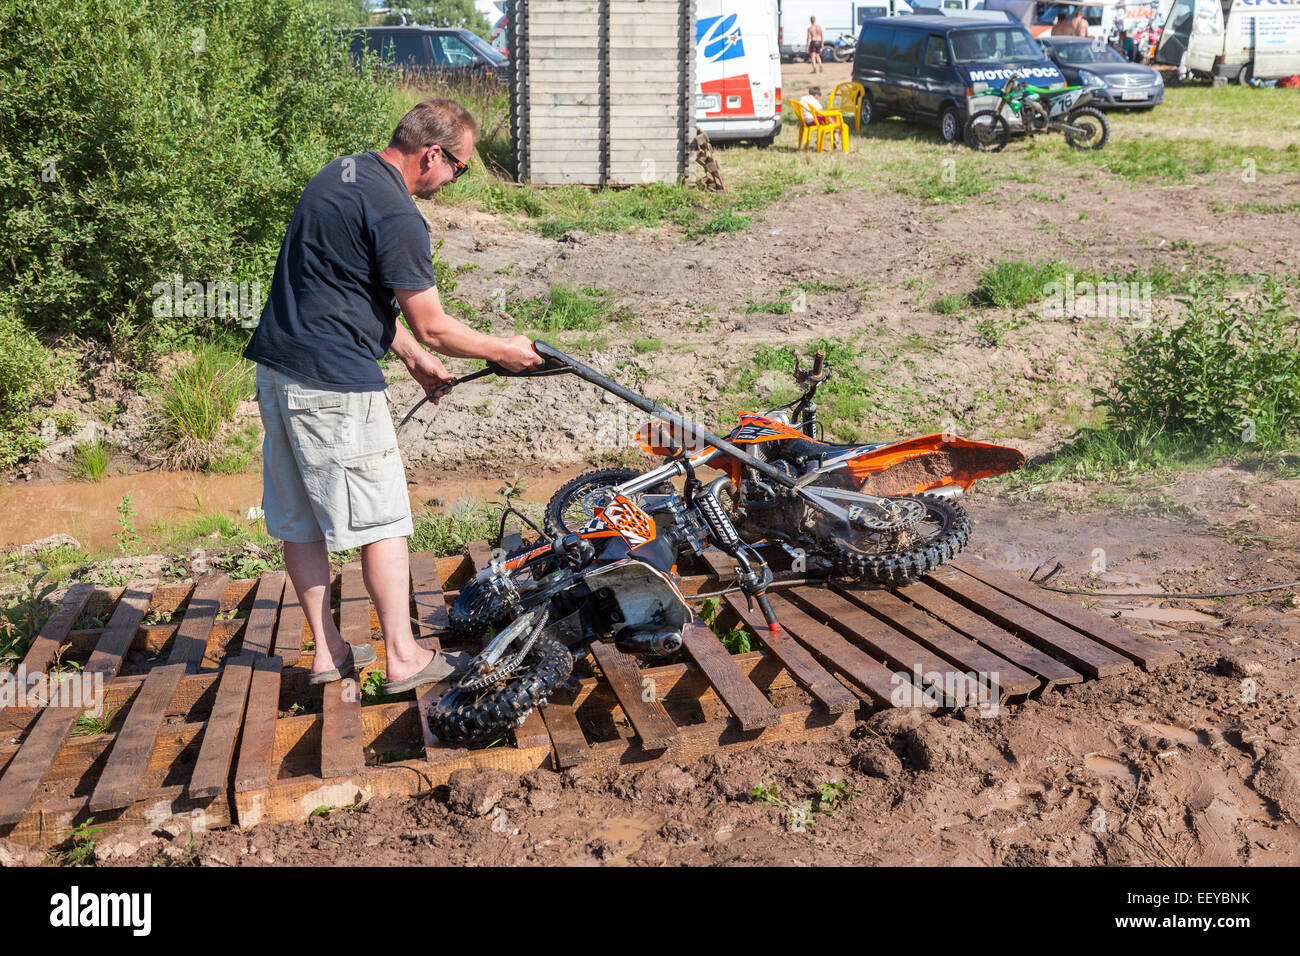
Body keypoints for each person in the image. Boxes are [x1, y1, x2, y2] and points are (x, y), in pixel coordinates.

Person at [243, 99, 541, 694]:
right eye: (459, 168)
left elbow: (340, 286)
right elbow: (433, 323)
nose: (455, 181)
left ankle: (329, 655)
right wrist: (502, 349)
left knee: (300, 521)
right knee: (383, 520)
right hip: (333, 385)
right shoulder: (398, 214)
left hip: (279, 371)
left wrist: (407, 353)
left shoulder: (342, 173)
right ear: (432, 154)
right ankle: (403, 660)